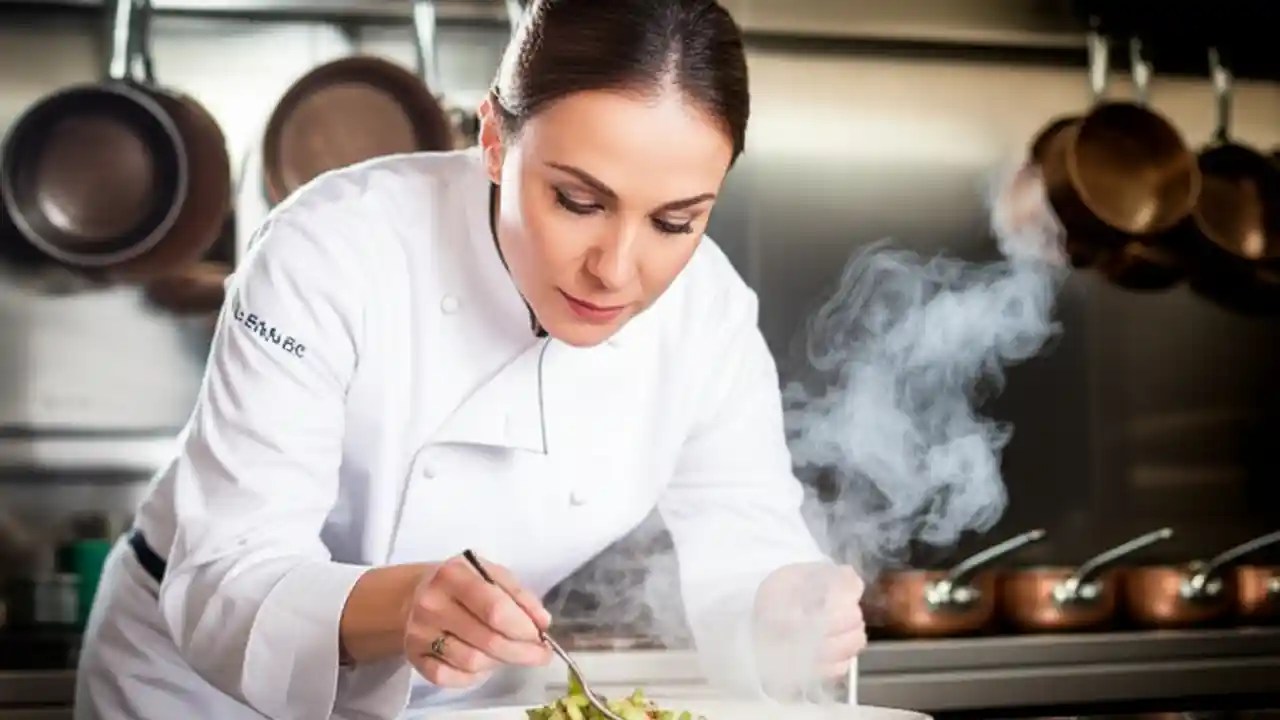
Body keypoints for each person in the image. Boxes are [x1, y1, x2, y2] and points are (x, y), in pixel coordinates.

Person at [74, 0, 867, 717]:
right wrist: (399, 602)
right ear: (493, 140)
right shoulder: (333, 249)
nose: (618, 270)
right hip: (192, 687)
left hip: (460, 700)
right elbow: (226, 574)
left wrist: (788, 605)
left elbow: (747, 544)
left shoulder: (709, 316)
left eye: (676, 221)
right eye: (578, 202)